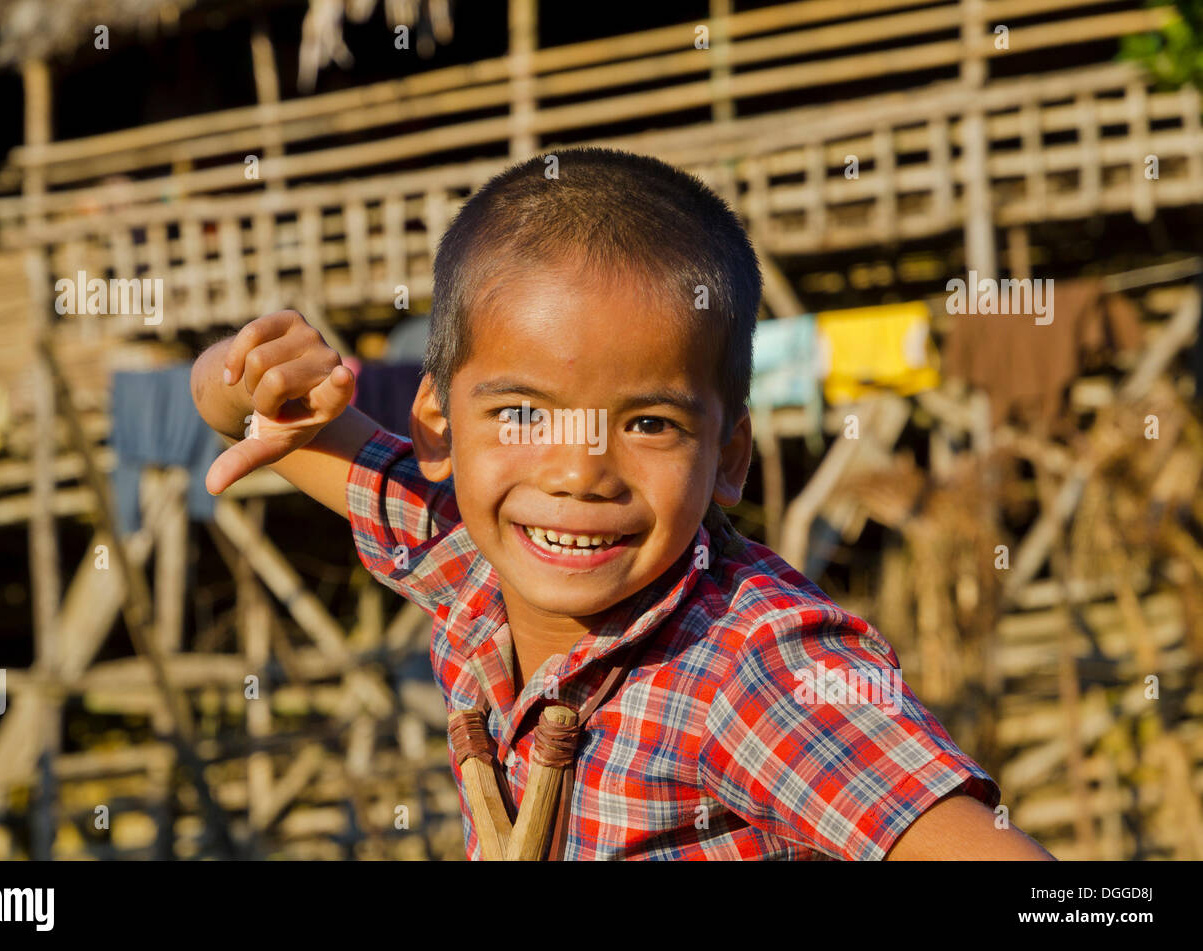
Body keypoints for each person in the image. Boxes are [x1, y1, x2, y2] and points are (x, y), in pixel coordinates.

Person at [190, 147, 1053, 860]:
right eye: (523, 412)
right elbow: (262, 419)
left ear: (729, 456)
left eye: (648, 421)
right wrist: (246, 376)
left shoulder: (751, 665)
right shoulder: (468, 559)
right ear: (438, 432)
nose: (580, 473)